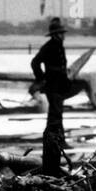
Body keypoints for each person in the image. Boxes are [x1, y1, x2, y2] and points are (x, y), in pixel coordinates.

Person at [30, 17, 72, 174]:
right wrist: (41, 79)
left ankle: (58, 142)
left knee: (56, 115)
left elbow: (62, 66)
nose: (63, 35)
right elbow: (35, 63)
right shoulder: (48, 47)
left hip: (59, 85)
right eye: (61, 33)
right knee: (55, 116)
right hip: (53, 86)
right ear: (56, 35)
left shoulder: (59, 46)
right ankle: (55, 144)